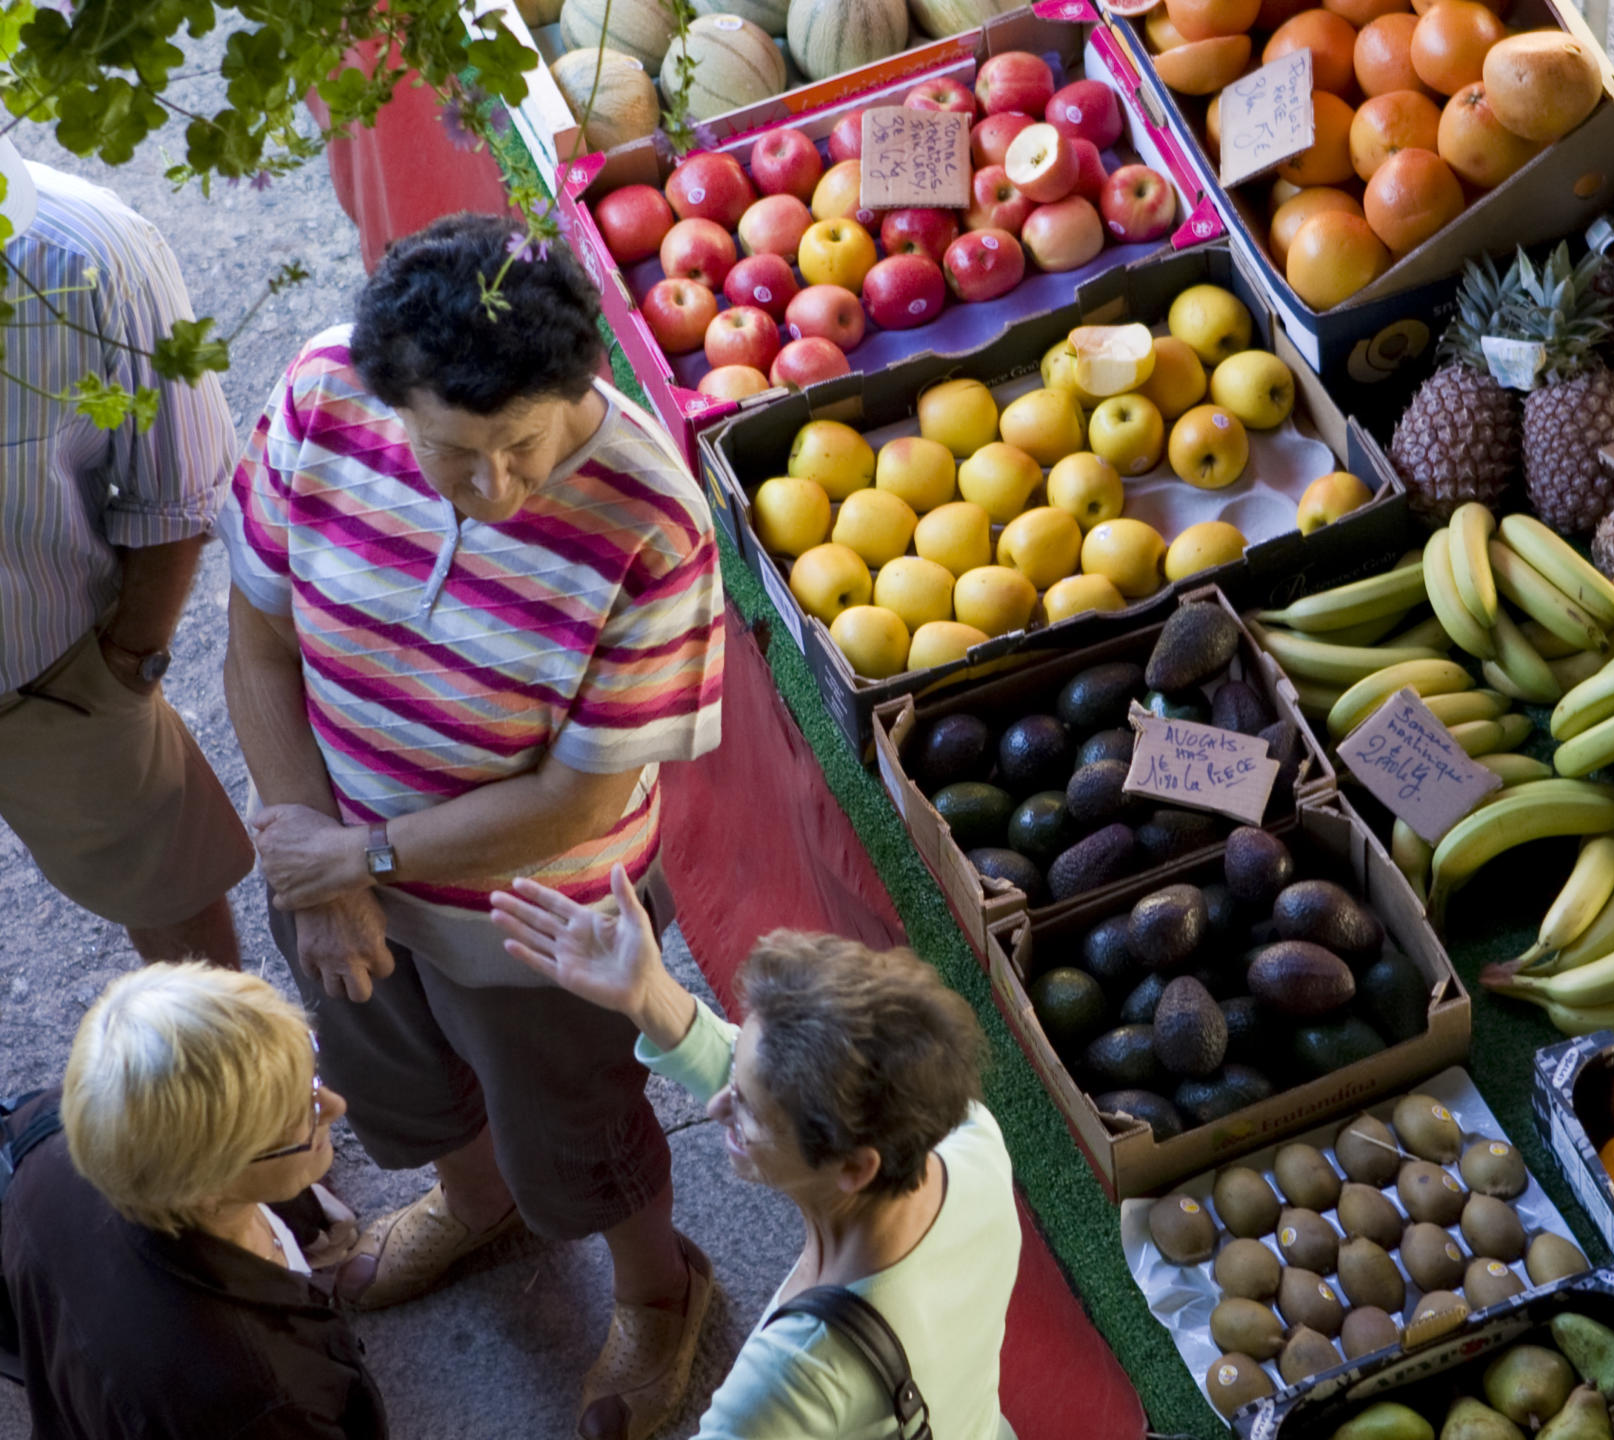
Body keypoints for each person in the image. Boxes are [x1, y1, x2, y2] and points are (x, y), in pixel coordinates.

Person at [218, 211, 725, 1440]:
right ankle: (470, 1198)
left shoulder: (654, 525)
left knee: (580, 1124)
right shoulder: (320, 394)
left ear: (579, 388)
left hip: (535, 910)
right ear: (389, 400)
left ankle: (662, 1292)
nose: (495, 485)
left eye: (524, 443)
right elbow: (257, 648)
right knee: (393, 1077)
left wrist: (359, 856)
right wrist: (321, 865)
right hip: (333, 856)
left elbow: (581, 798)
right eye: (454, 452)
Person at [491, 865, 1022, 1440]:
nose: (717, 1107)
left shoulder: (796, 1381)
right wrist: (649, 993)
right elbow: (778, 1089)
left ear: (852, 1168)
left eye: (745, 1110)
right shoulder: (968, 1135)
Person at [0, 138, 251, 967]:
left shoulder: (93, 257)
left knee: (169, 895)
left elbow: (180, 490)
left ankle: (237, 1097)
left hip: (49, 677)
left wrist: (126, 666)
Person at [0, 962, 383, 1439]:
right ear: (207, 1186)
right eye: (299, 1116)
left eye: (309, 1067)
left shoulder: (69, 1128)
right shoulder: (265, 1399)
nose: (333, 1105)